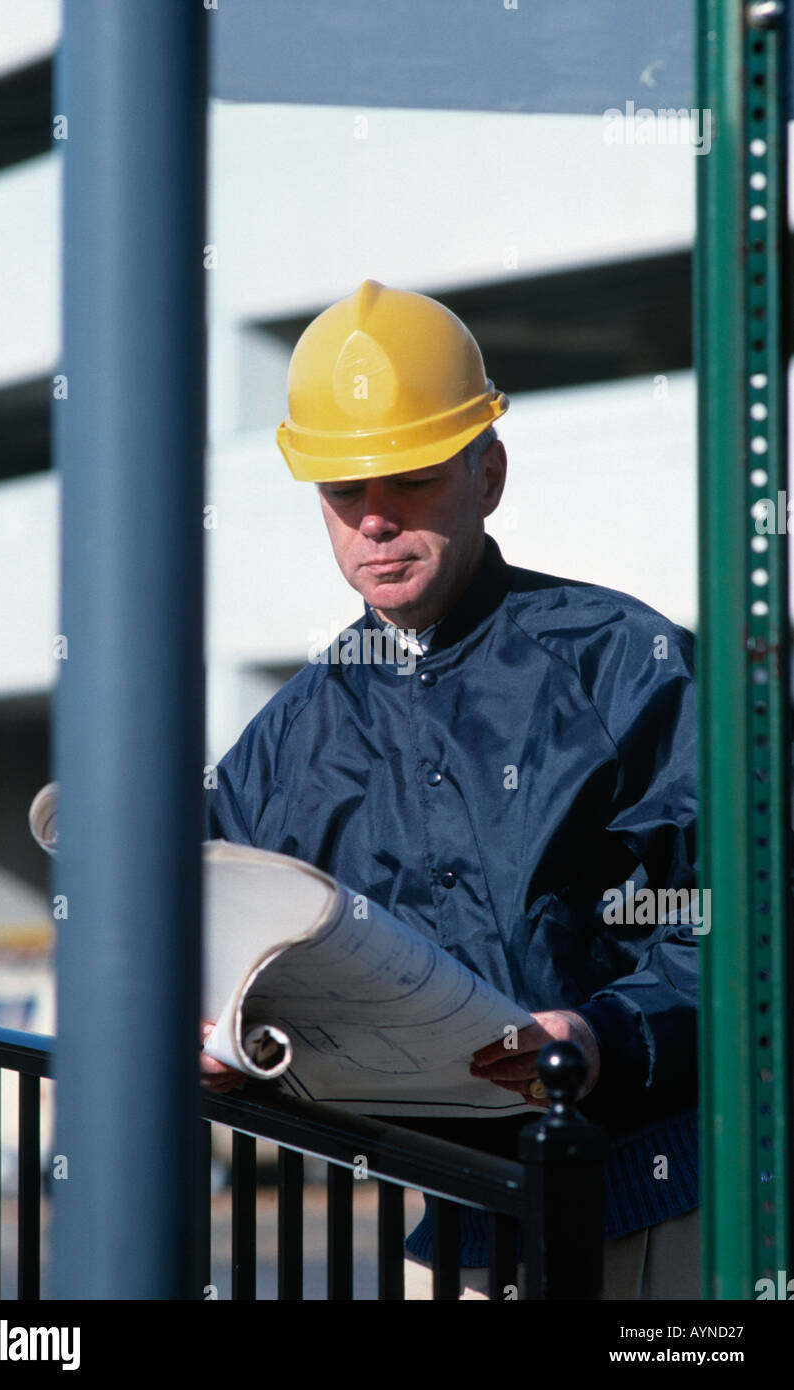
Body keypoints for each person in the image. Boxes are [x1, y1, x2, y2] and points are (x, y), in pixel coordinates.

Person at [200, 278, 701, 1300]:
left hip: (659, 1218)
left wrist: (604, 1034)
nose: (375, 519)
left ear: (490, 472)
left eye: (412, 478)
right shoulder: (284, 738)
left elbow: (748, 922)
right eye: (344, 492)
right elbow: (209, 942)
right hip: (454, 1235)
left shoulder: (629, 667)